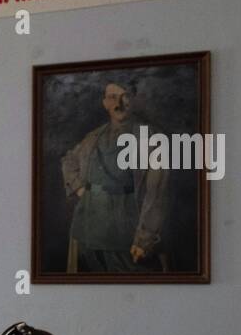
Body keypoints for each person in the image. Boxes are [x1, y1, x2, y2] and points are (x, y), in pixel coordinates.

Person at [60, 81, 170, 273]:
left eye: (125, 96)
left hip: (126, 234)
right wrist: (78, 187)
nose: (119, 103)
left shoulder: (151, 138)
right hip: (86, 229)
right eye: (112, 97)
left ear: (133, 100)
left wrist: (144, 238)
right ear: (105, 103)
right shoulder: (94, 137)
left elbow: (156, 193)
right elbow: (69, 160)